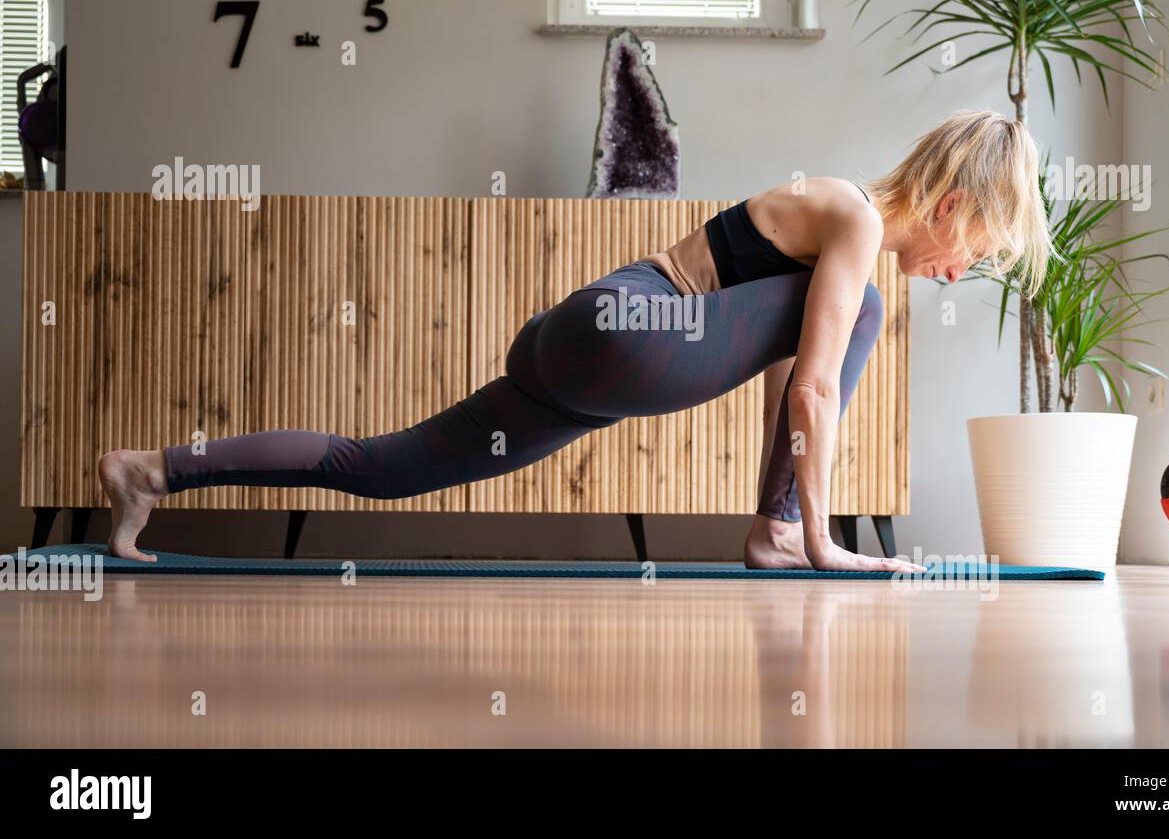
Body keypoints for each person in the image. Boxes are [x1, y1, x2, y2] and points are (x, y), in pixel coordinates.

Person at [98, 109, 1052, 570]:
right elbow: (809, 391)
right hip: (623, 327)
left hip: (572, 353)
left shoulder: (837, 239)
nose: (964, 270)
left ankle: (155, 471)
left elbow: (792, 379)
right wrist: (820, 540)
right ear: (953, 202)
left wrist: (788, 511)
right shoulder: (851, 215)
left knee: (378, 463)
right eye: (979, 246)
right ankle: (783, 532)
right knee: (861, 314)